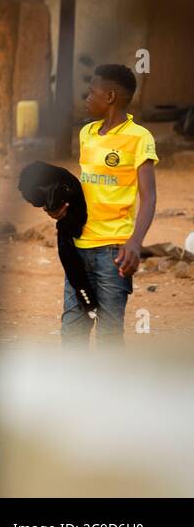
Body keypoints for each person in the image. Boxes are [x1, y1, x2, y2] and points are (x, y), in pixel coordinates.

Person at [50, 64, 157, 347]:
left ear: (110, 96)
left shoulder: (139, 138)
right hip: (78, 245)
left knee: (109, 334)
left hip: (114, 252)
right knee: (72, 329)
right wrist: (61, 208)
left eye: (91, 92)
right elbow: (85, 187)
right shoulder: (87, 134)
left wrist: (135, 241)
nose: (86, 98)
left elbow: (149, 196)